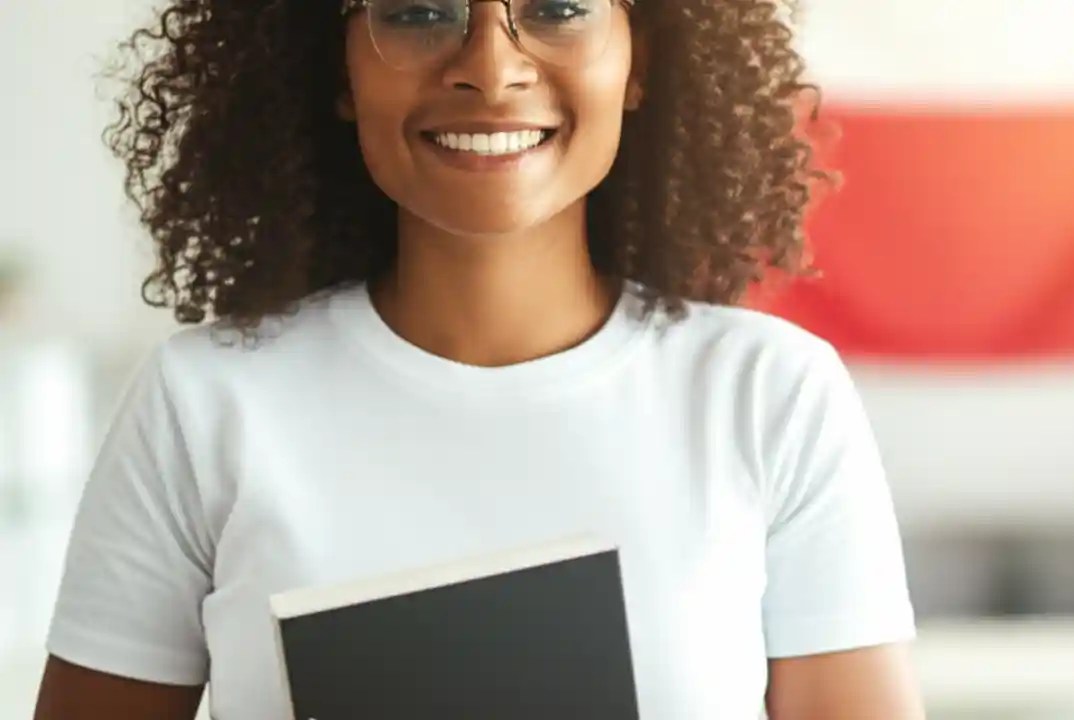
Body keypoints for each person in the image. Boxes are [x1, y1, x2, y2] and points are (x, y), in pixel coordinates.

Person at [33, 0, 923, 717]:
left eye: (559, 8)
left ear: (639, 57)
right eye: (419, 12)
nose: (492, 69)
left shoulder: (767, 396)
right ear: (337, 68)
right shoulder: (203, 406)